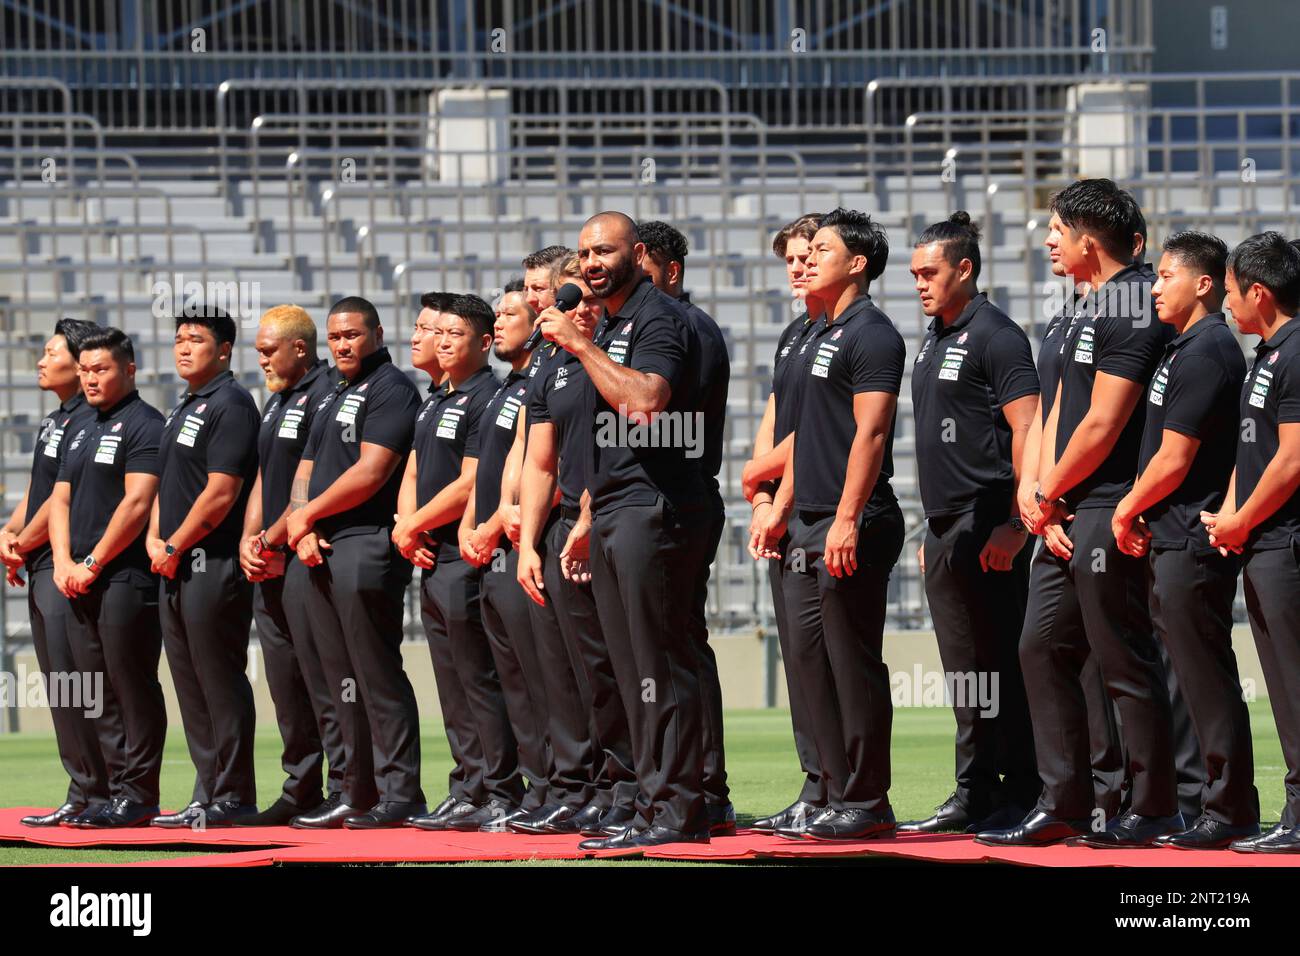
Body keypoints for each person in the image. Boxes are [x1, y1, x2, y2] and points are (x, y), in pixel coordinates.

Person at [981, 179, 1178, 848]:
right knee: (1040, 646)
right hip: (1061, 508)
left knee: (1122, 659)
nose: (1047, 241)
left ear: (1088, 242)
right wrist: (1036, 494)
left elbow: (1104, 421)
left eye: (1057, 231)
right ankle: (1066, 799)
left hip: (1108, 503)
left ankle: (1154, 806)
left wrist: (1049, 494)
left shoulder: (1134, 305)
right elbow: (1054, 411)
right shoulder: (1075, 308)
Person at [530, 211, 710, 853]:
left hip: (655, 509)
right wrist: (585, 514)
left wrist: (580, 347)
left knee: (657, 665)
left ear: (637, 253)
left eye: (604, 251)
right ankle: (651, 800)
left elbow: (645, 402)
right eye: (584, 254)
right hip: (611, 509)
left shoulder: (658, 318)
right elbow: (592, 438)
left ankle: (677, 807)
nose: (592, 263)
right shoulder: (607, 322)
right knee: (634, 667)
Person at [754, 207, 906, 841]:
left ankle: (867, 801)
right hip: (807, 522)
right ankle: (821, 790)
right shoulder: (814, 333)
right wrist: (779, 506)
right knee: (808, 665)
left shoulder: (872, 333)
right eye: (805, 249)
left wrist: (846, 518)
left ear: (858, 263)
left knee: (851, 663)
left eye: (821, 248)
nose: (807, 257)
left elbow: (870, 433)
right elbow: (808, 439)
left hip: (853, 520)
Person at [1109, 231, 1258, 849]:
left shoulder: (1207, 350)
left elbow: (1176, 458)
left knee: (1203, 673)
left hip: (1193, 538)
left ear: (1203, 284)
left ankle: (1227, 810)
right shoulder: (1182, 348)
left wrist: (1125, 509)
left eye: (1166, 276)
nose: (1155, 286)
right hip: (1169, 533)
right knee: (1184, 673)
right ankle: (1204, 804)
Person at [902, 212, 1041, 833]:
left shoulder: (998, 336)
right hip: (946, 528)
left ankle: (1025, 789)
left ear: (965, 268)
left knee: (1004, 665)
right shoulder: (933, 336)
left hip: (991, 525)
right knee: (966, 673)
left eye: (929, 272)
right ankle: (974, 790)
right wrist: (933, 531)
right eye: (913, 275)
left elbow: (1029, 428)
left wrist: (1017, 524)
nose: (920, 284)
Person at [275, 296, 426, 829]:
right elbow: (306, 467)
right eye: (335, 337)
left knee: (373, 673)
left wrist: (306, 516)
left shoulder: (392, 389)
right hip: (319, 542)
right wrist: (301, 523)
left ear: (378, 334)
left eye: (353, 335)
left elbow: (372, 470)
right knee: (332, 676)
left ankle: (401, 792)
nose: (342, 344)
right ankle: (351, 790)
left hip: (366, 542)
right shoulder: (334, 391)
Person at [395, 294, 525, 831]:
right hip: (430, 551)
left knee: (478, 678)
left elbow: (470, 480)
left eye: (456, 334)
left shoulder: (485, 396)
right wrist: (406, 527)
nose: (442, 341)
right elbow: (413, 468)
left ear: (485, 344)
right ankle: (466, 785)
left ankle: (499, 790)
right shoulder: (434, 398)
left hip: (464, 551)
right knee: (450, 678)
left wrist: (415, 523)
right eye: (438, 333)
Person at [516, 259, 634, 836]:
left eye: (588, 299)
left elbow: (617, 448)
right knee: (576, 669)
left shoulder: (609, 358)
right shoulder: (552, 364)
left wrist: (587, 519)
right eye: (572, 300)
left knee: (609, 666)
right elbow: (541, 462)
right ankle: (590, 787)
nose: (580, 308)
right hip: (561, 527)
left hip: (605, 522)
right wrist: (529, 545)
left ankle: (626, 787)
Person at [1202, 232, 1300, 854]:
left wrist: (1241, 520)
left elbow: (1292, 458)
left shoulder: (1294, 353)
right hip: (1260, 543)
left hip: (1286, 545)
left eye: (1233, 291)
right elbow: (1251, 447)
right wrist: (1232, 513)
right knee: (1283, 680)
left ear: (1258, 292)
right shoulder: (1265, 353)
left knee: (1293, 680)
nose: (1228, 304)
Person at [48, 327, 168, 828]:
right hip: (76, 575)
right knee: (92, 688)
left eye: (101, 369)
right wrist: (61, 563)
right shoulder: (80, 425)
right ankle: (106, 792)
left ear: (129, 370)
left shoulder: (144, 423)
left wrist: (93, 562)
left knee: (130, 686)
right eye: (85, 370)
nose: (91, 379)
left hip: (123, 578)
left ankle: (137, 795)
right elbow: (60, 499)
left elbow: (137, 502)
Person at [638, 220, 735, 833]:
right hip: (679, 495)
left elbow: (656, 417)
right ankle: (699, 787)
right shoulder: (670, 324)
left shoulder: (678, 325)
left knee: (668, 654)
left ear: (668, 271)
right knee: (676, 649)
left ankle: (689, 793)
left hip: (674, 497)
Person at [149, 309, 261, 828]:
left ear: (223, 351)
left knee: (218, 681)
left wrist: (172, 544)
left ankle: (233, 796)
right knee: (190, 685)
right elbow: (164, 484)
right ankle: (205, 793)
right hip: (174, 562)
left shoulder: (231, 404)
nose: (183, 347)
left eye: (196, 339)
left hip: (210, 564)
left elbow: (221, 492)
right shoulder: (181, 408)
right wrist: (156, 539)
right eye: (178, 339)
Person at [236, 305, 346, 826]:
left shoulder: (327, 394)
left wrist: (278, 539)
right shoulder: (277, 400)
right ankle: (300, 787)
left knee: (326, 681)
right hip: (271, 558)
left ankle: (346, 786)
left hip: (307, 555)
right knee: (286, 683)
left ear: (299, 348)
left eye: (267, 351)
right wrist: (251, 539)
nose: (260, 361)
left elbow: (314, 483)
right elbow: (264, 475)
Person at [744, 214, 832, 833]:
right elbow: (776, 418)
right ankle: (816, 786)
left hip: (820, 515)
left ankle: (847, 791)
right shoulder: (794, 334)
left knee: (833, 664)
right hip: (786, 515)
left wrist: (773, 498)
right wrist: (757, 492)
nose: (797, 268)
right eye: (790, 261)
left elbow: (817, 435)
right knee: (801, 662)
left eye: (807, 256)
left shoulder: (845, 334)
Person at [2, 319, 106, 826]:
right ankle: (81, 790)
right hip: (40, 563)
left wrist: (24, 542)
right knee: (61, 681)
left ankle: (105, 791)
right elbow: (36, 494)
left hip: (65, 564)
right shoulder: (54, 420)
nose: (41, 362)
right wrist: (9, 533)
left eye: (51, 353)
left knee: (84, 680)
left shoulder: (92, 421)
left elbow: (60, 502)